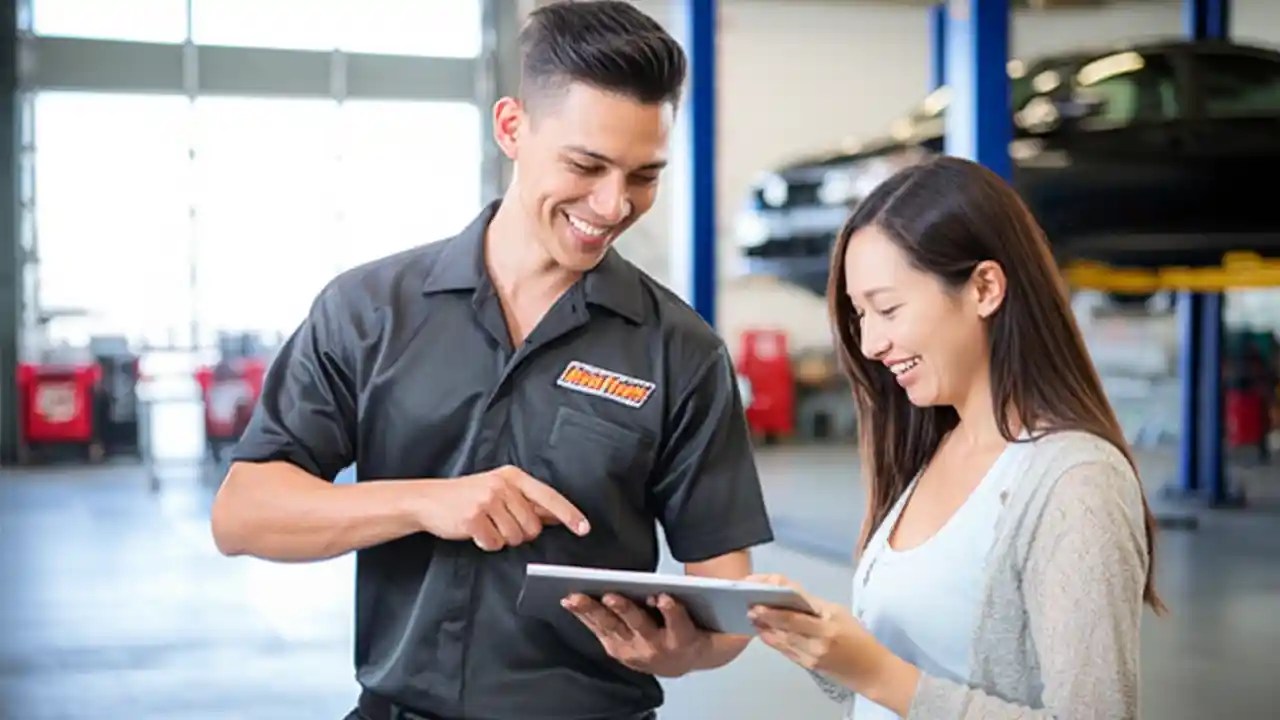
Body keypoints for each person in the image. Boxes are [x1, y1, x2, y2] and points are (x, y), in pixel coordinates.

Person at [209, 2, 774, 719]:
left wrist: (685, 652)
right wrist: (423, 501)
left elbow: (725, 591)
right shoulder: (370, 311)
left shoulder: (681, 351)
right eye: (586, 165)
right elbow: (243, 514)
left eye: (644, 176)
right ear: (512, 128)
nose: (613, 204)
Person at [744, 156, 1163, 719]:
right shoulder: (933, 449)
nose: (869, 344)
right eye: (860, 315)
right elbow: (914, 664)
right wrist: (824, 646)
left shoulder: (1077, 483)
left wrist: (878, 674)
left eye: (887, 309)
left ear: (984, 288)